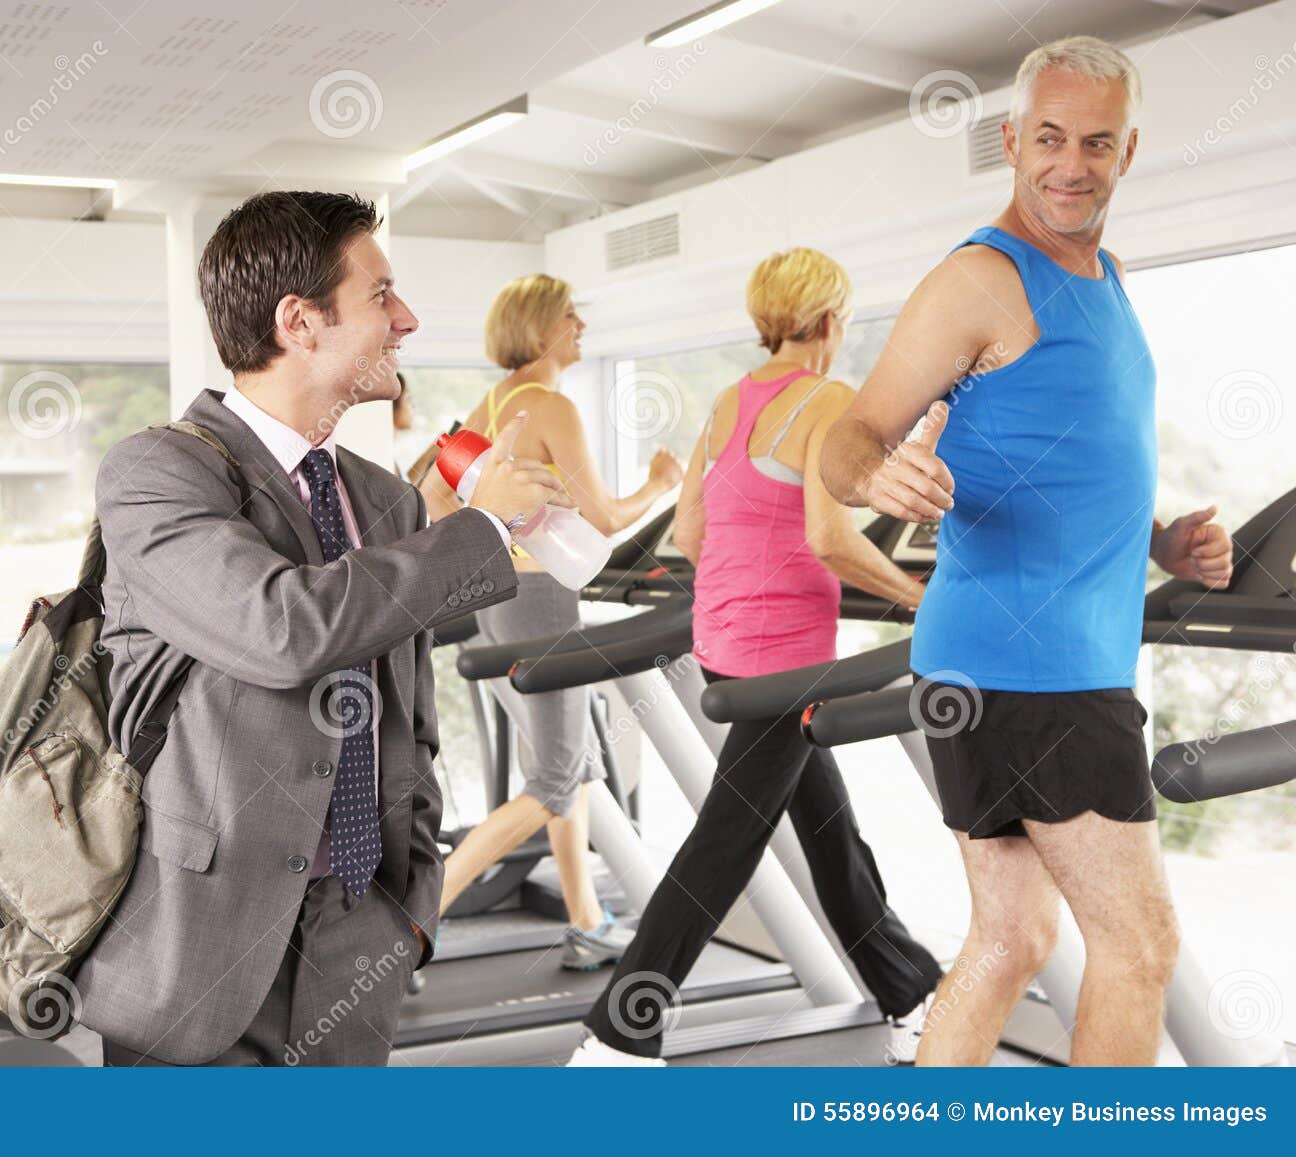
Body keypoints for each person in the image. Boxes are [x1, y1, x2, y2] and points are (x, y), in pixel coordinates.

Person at [75, 191, 565, 1067]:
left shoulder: (385, 498)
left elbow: (409, 714)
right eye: (381, 294)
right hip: (200, 943)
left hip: (360, 928)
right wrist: (483, 528)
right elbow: (282, 627)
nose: (406, 318)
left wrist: (411, 903)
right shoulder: (157, 473)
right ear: (299, 322)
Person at [819, 37, 1233, 1066]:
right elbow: (846, 436)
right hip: (1035, 672)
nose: (1069, 164)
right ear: (1010, 141)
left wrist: (1165, 544)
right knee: (1140, 946)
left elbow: (1078, 461)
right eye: (1049, 138)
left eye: (1095, 142)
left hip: (1009, 664)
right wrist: (874, 477)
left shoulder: (1107, 277)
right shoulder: (978, 277)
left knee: (1011, 938)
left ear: (1127, 151)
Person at [570, 249, 942, 1067]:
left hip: (727, 648)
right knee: (726, 842)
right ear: (829, 321)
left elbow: (691, 532)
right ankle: (618, 1036)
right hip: (787, 662)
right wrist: (922, 598)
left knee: (830, 834)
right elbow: (828, 537)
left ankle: (911, 992)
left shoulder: (727, 401)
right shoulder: (828, 400)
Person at [420, 273, 683, 970]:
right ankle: (416, 915)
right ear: (540, 329)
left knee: (575, 763)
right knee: (556, 779)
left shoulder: (491, 405)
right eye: (570, 315)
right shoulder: (549, 405)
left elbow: (435, 498)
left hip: (498, 596)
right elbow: (603, 518)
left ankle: (586, 919)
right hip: (539, 600)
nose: (581, 326)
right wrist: (661, 484)